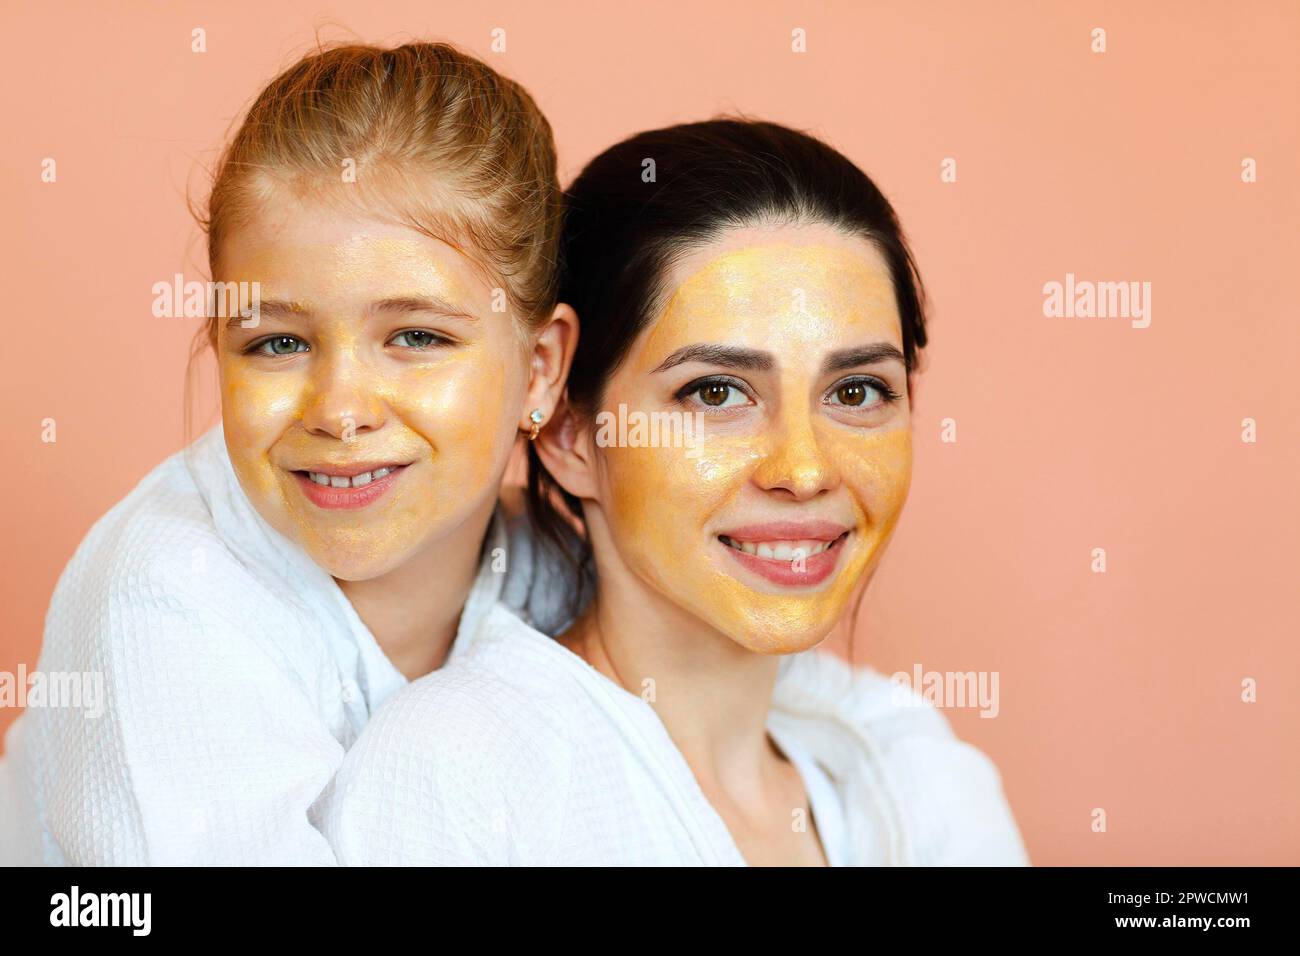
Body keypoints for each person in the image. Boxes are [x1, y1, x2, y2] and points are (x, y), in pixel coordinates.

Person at [319, 119, 1030, 865]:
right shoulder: (455, 778)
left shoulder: (928, 788)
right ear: (568, 434)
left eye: (856, 390)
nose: (805, 469)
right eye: (716, 392)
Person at [0, 41, 576, 865]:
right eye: (277, 343)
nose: (339, 411)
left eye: (416, 336)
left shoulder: (554, 574)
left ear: (541, 369)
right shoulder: (159, 595)